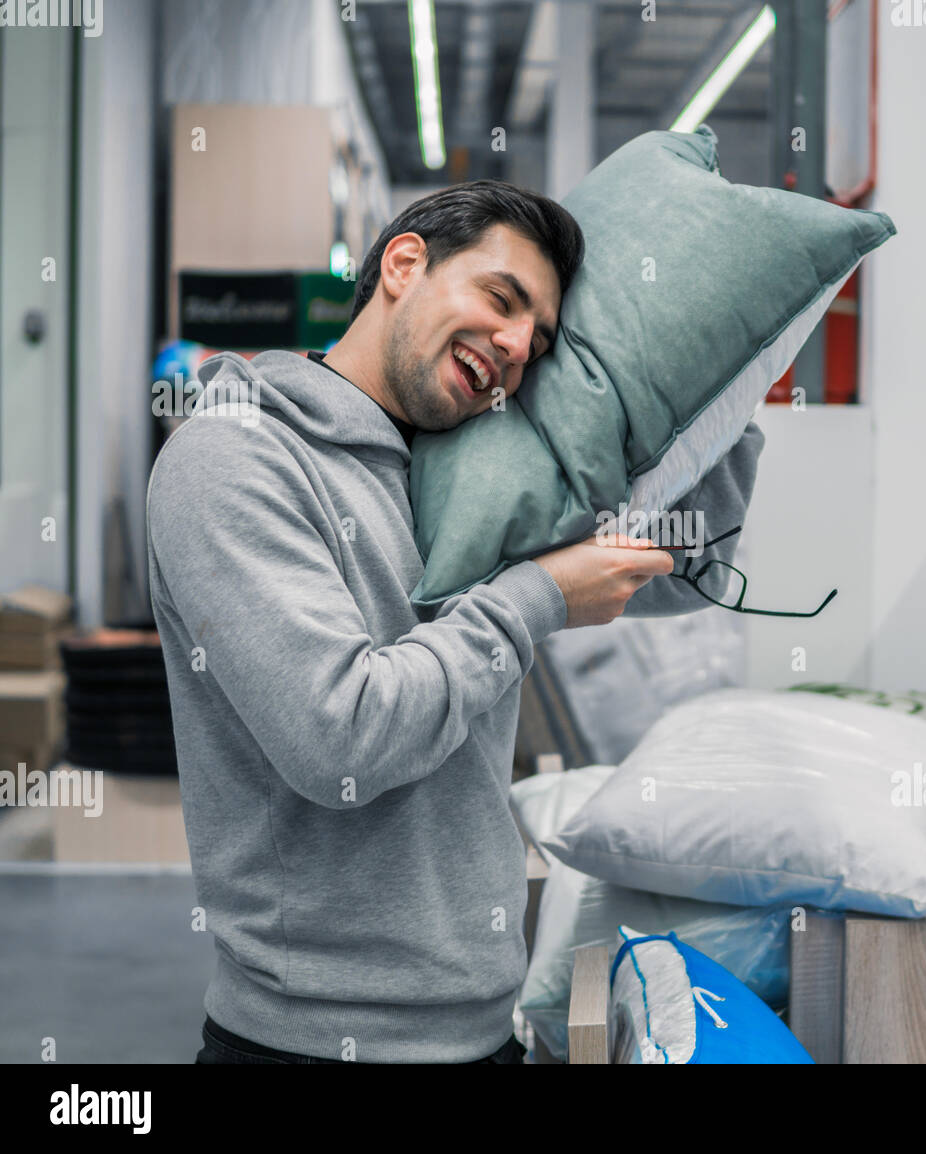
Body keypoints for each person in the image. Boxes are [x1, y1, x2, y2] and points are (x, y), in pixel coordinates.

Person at [146, 179, 765, 1065]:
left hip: (483, 1029)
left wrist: (733, 386)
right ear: (404, 264)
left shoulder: (469, 469)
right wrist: (540, 594)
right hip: (309, 1046)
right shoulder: (236, 456)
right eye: (499, 298)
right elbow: (343, 738)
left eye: (538, 340)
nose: (515, 346)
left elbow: (685, 575)